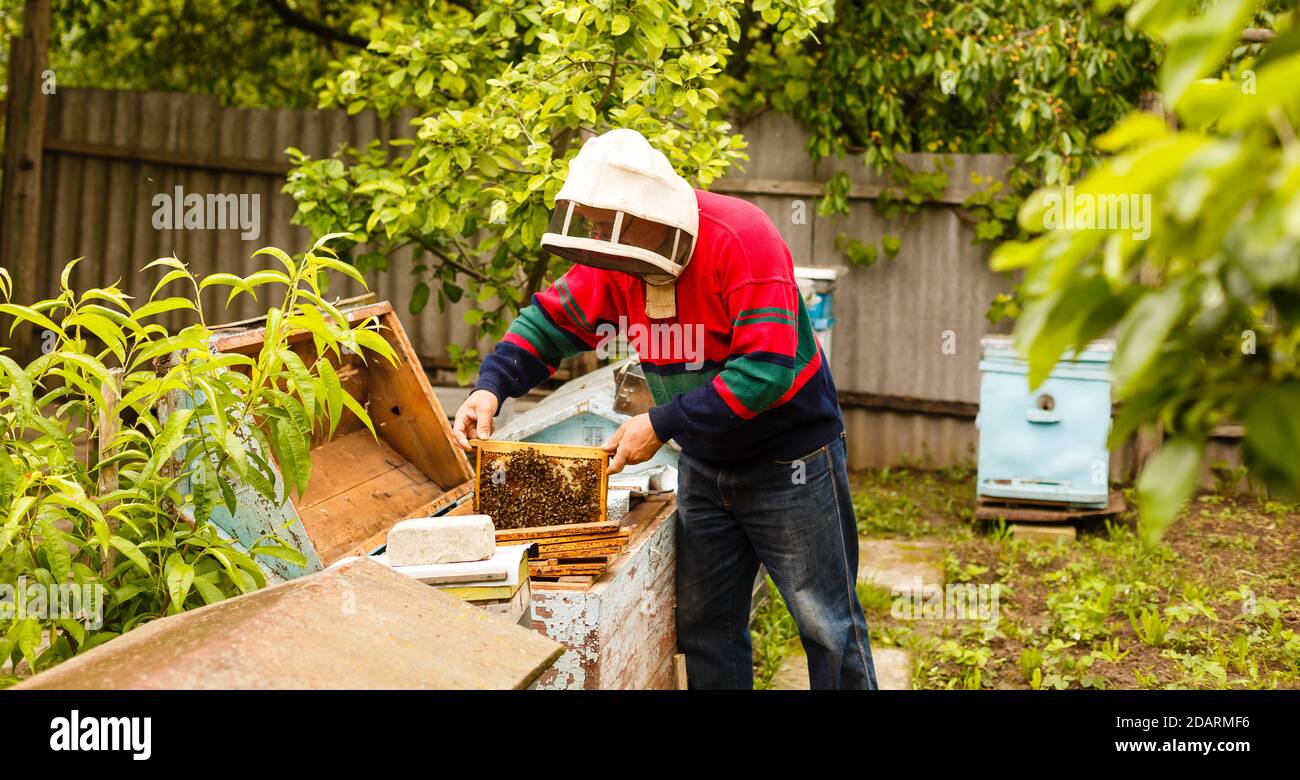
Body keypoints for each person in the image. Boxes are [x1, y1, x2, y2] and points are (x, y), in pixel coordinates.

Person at [452, 128, 876, 689]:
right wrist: (491, 386)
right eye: (593, 226)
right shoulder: (618, 257)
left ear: (648, 214)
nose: (598, 238)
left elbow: (765, 370)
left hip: (790, 462)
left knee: (826, 623)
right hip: (703, 463)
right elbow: (551, 322)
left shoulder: (742, 237)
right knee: (705, 628)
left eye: (606, 225)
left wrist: (661, 422)